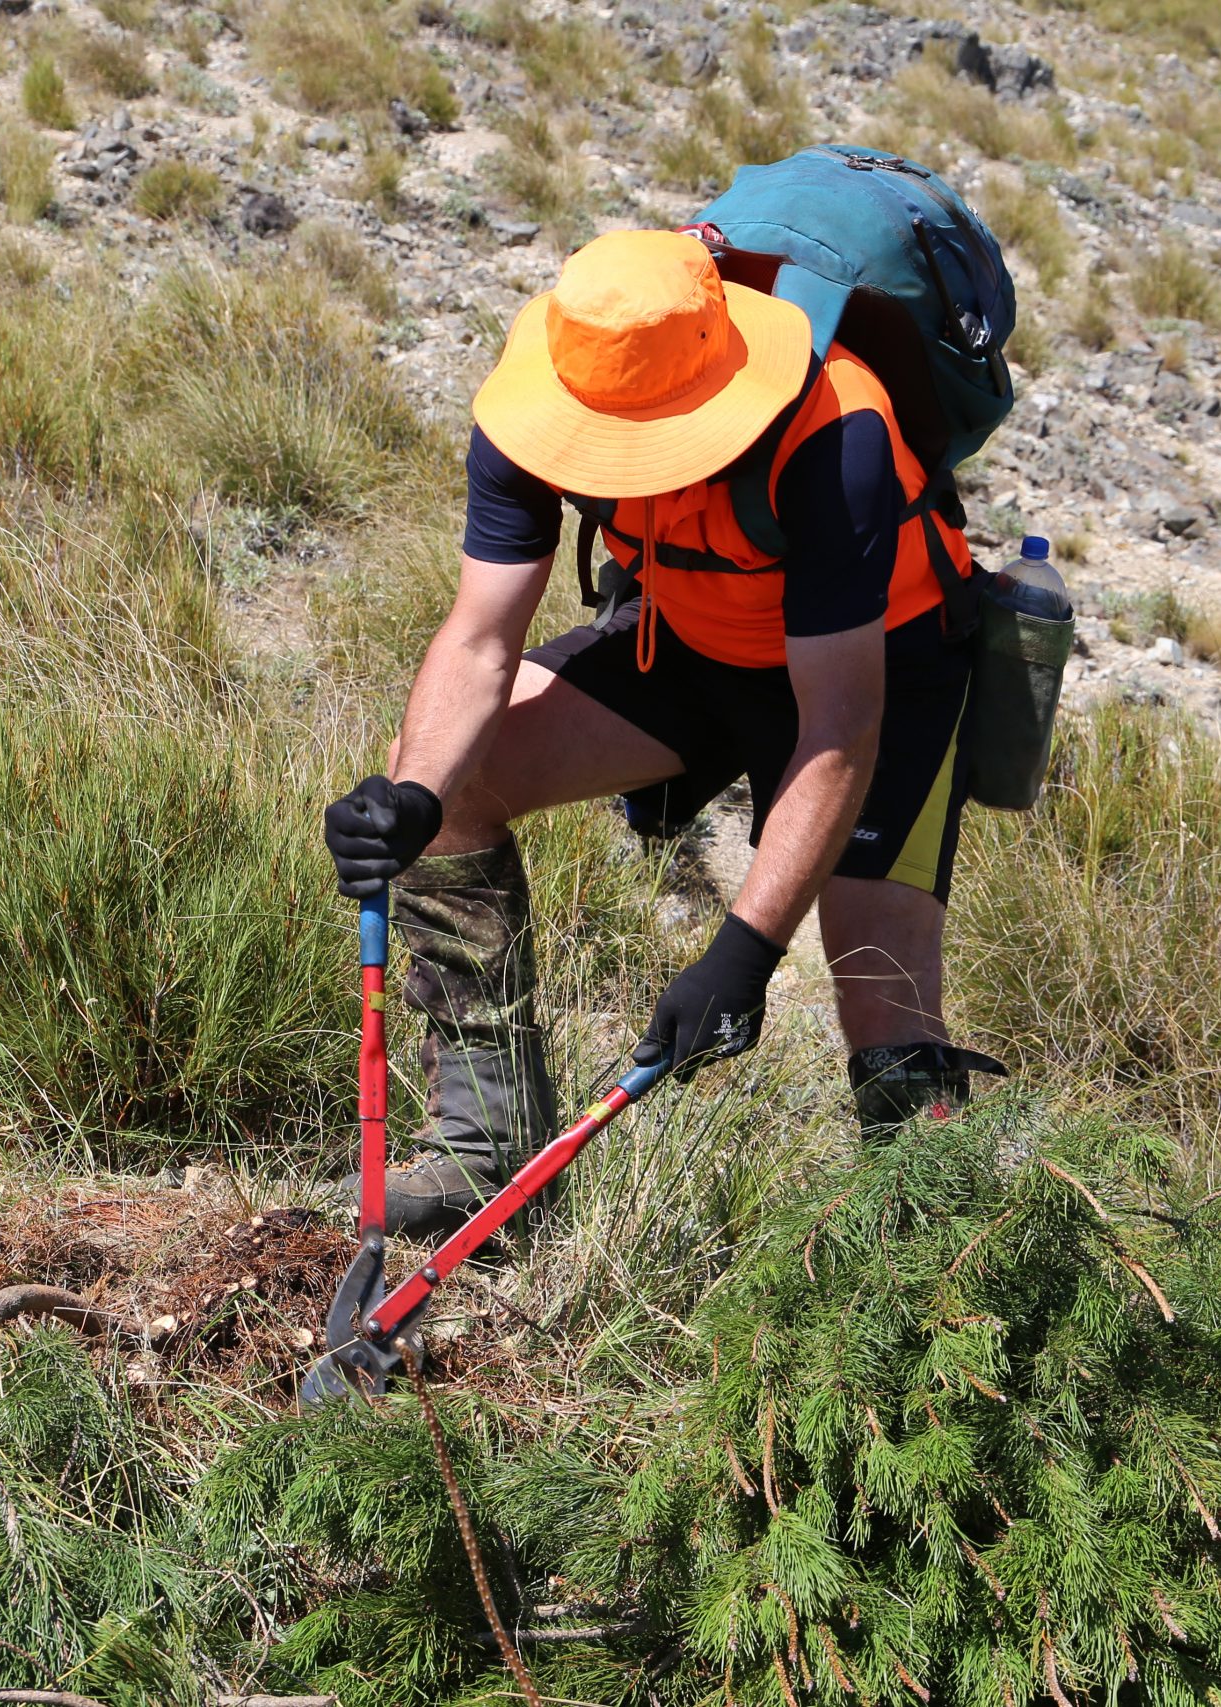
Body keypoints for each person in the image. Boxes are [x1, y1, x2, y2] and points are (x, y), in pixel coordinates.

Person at [323, 228, 1000, 1238]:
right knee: (455, 784)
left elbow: (839, 728)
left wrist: (744, 952)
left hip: (883, 672)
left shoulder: (835, 430)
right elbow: (477, 638)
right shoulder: (534, 400)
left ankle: (946, 1261)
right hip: (685, 644)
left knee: (883, 993)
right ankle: (482, 1150)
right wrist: (415, 796)